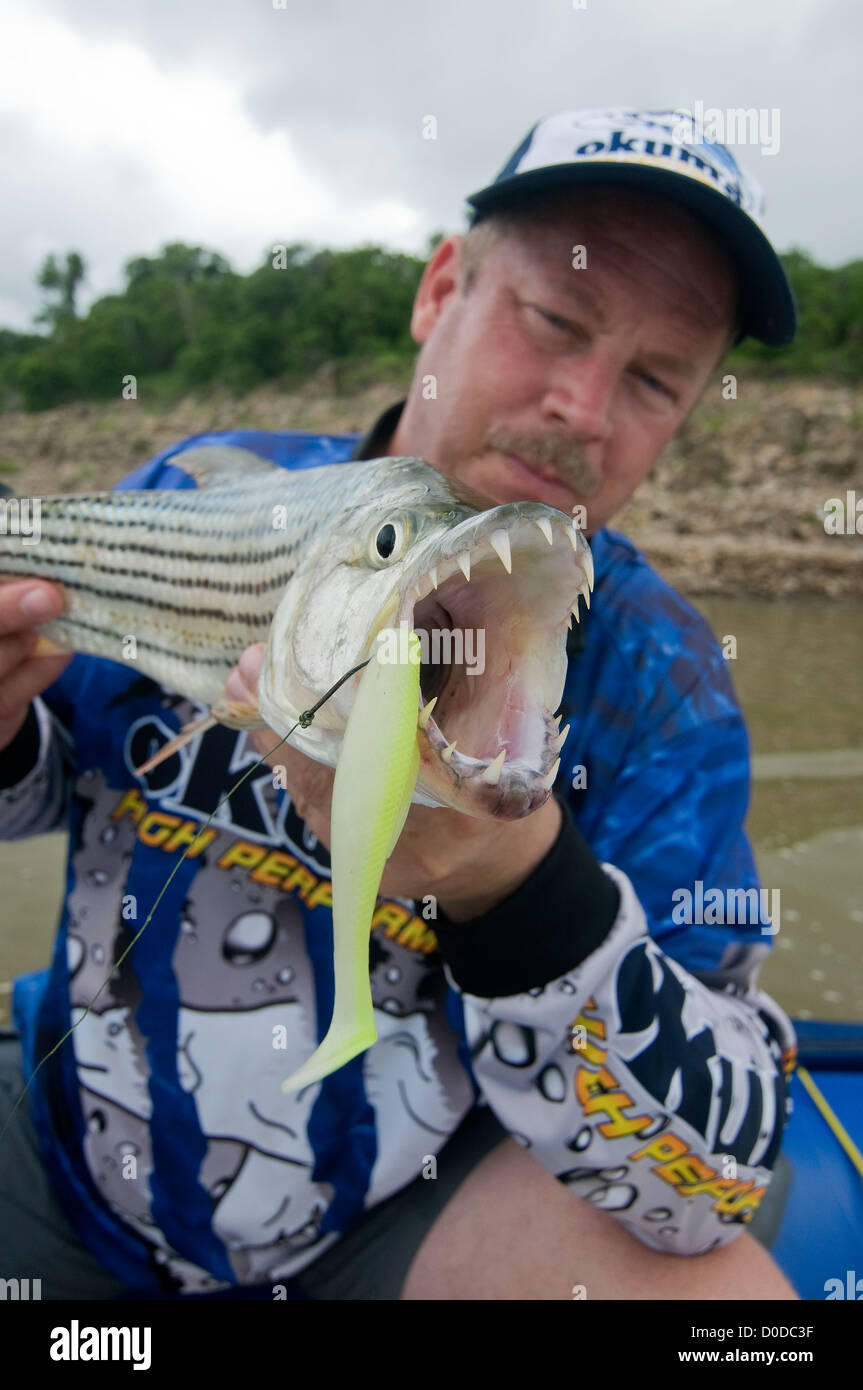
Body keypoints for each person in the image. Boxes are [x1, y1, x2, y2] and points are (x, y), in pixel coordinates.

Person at [0, 108, 799, 1300]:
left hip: (385, 1228)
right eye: (555, 321)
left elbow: (721, 1167)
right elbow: (49, 785)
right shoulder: (203, 491)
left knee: (731, 1309)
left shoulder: (659, 688)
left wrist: (520, 895)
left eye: (651, 377)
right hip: (62, 1157)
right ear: (441, 291)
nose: (581, 406)